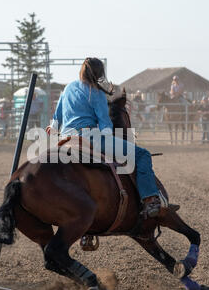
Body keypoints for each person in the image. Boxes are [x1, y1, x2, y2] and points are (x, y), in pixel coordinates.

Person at [46, 57, 168, 219]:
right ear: (99, 74)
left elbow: (57, 114)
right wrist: (112, 140)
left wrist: (54, 127)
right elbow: (105, 125)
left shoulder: (68, 88)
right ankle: (150, 199)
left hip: (66, 139)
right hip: (89, 137)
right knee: (142, 154)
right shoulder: (96, 93)